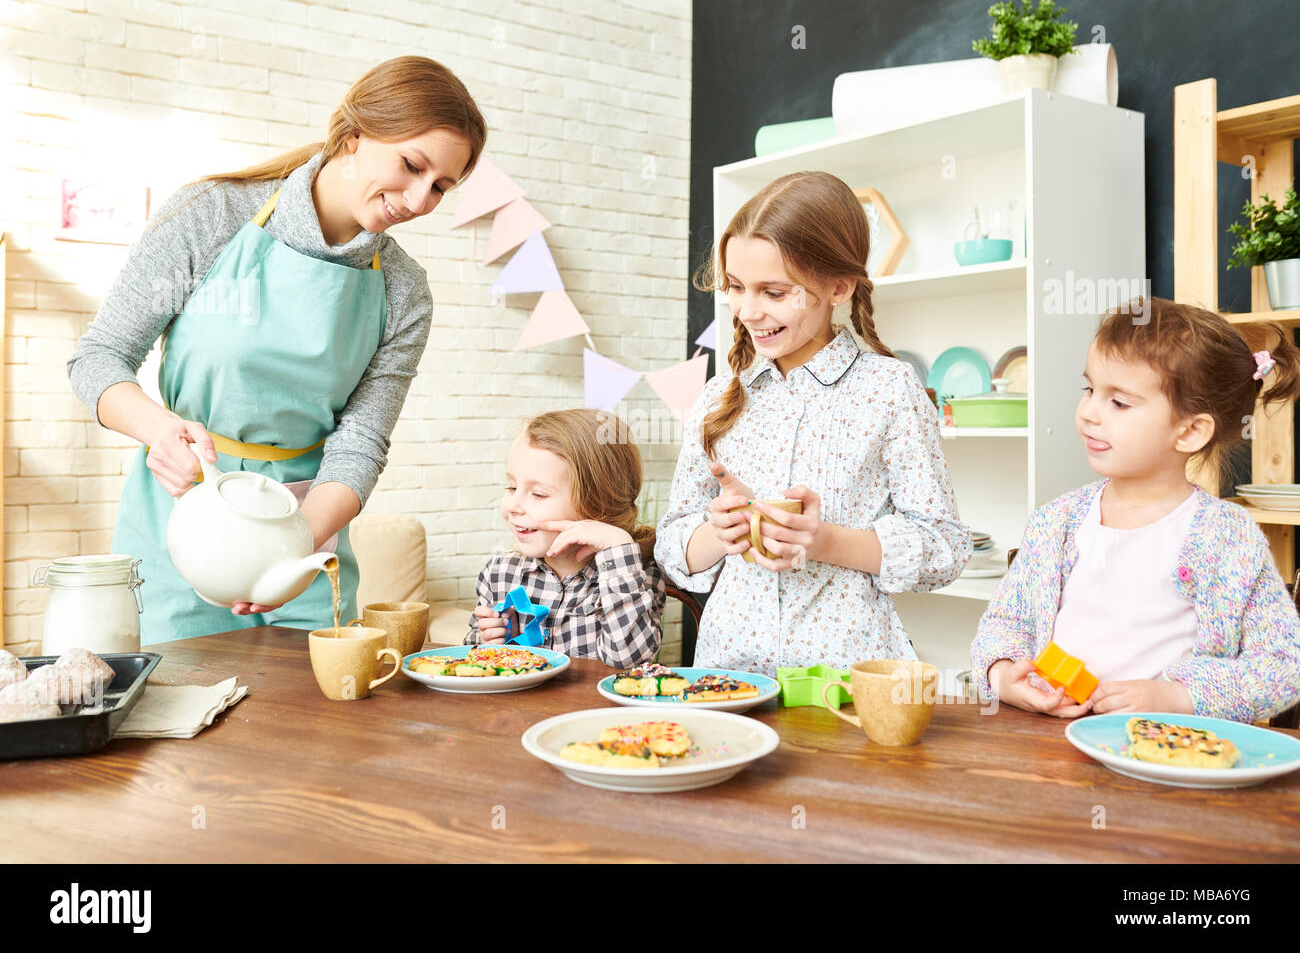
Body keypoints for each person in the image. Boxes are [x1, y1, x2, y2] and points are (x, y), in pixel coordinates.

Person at [66, 56, 487, 644]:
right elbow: (100, 357)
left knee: (317, 728)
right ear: (353, 135)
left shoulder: (403, 289)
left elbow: (361, 441)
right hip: (182, 525)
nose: (419, 200)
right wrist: (157, 428)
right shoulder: (211, 214)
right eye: (412, 165)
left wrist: (288, 554)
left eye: (441, 186)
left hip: (306, 537)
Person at [655, 171, 971, 675]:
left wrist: (824, 541)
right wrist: (721, 534)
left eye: (774, 293)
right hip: (728, 675)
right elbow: (673, 549)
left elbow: (944, 547)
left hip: (848, 682)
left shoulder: (889, 389)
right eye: (736, 287)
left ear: (838, 287)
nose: (748, 311)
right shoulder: (719, 395)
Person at [972, 297, 1300, 723]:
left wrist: (1177, 697)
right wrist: (1002, 675)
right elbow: (1002, 623)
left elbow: (1282, 666)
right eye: (1090, 389)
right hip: (1052, 749)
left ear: (1190, 431)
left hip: (1169, 755)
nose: (1089, 412)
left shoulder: (1228, 538)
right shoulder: (1057, 522)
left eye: (1119, 403)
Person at [466, 409, 666, 668]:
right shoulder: (500, 573)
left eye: (538, 494)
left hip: (595, 709)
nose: (514, 505)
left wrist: (619, 547)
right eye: (512, 487)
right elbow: (471, 660)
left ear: (597, 503)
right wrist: (488, 643)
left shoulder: (633, 574)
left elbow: (628, 660)